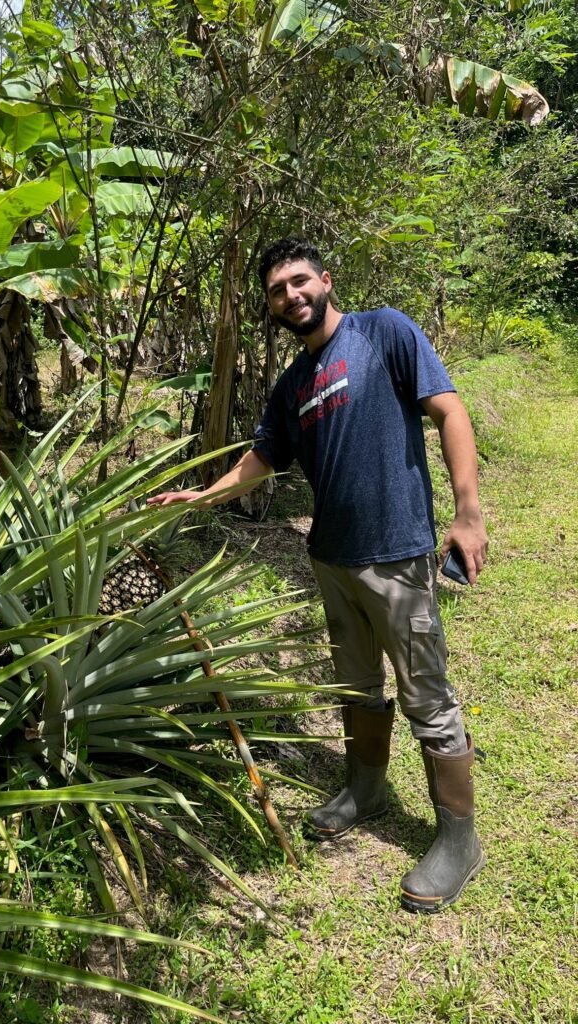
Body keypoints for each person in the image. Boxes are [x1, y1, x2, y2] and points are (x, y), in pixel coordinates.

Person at [149, 237, 489, 913]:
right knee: (357, 684)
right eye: (278, 290)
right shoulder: (290, 387)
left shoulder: (383, 333)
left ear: (327, 281)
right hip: (329, 558)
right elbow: (262, 460)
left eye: (300, 281)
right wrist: (203, 495)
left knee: (427, 696)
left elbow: (449, 409)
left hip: (397, 550)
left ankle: (459, 838)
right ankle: (367, 788)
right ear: (272, 306)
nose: (291, 296)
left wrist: (468, 511)